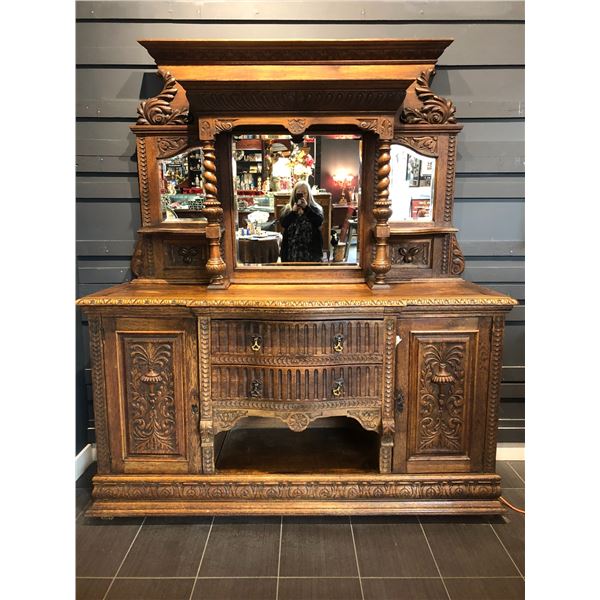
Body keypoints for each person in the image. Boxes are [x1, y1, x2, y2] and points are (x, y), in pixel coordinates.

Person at [279, 181, 324, 262]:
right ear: (294, 194)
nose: (302, 196)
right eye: (299, 193)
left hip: (311, 253)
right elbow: (284, 224)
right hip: (291, 253)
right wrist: (293, 212)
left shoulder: (315, 208)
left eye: (304, 193)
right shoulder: (287, 209)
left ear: (308, 195)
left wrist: (306, 208)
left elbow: (318, 222)